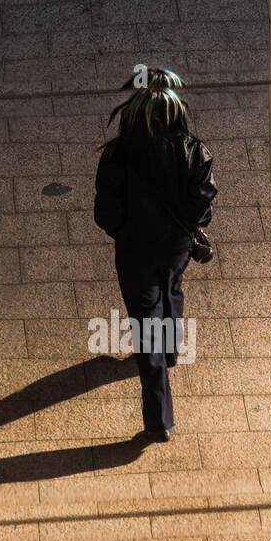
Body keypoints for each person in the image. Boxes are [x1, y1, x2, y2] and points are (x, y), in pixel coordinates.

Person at [93, 68, 217, 442]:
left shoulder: (117, 154)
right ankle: (173, 350)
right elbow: (204, 205)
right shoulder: (195, 150)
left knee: (146, 322)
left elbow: (106, 213)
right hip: (177, 244)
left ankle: (158, 418)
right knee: (172, 288)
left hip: (136, 250)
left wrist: (128, 231)